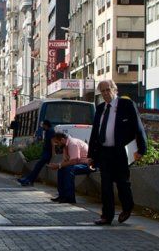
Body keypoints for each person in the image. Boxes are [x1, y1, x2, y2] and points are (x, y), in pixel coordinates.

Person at [87, 79, 147, 225]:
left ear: (115, 90)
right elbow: (95, 133)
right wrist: (91, 156)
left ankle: (127, 207)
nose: (106, 93)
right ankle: (106, 216)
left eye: (108, 90)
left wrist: (141, 149)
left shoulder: (126, 105)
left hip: (121, 152)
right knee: (105, 185)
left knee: (122, 183)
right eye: (103, 91)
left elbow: (138, 127)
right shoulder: (100, 108)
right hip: (104, 152)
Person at [49, 132, 92, 204]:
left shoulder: (73, 144)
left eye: (57, 142)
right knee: (62, 169)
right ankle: (62, 196)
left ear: (62, 139)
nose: (56, 145)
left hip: (88, 165)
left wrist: (58, 165)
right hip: (79, 164)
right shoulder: (65, 146)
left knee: (69, 170)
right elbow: (66, 161)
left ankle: (70, 198)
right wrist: (58, 165)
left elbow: (74, 161)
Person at [17, 120, 54, 186]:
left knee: (37, 166)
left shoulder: (51, 131)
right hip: (45, 152)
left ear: (46, 125)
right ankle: (29, 180)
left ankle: (28, 180)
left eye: (43, 125)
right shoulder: (47, 131)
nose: (42, 126)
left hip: (48, 153)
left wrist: (53, 154)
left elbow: (53, 143)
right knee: (37, 167)